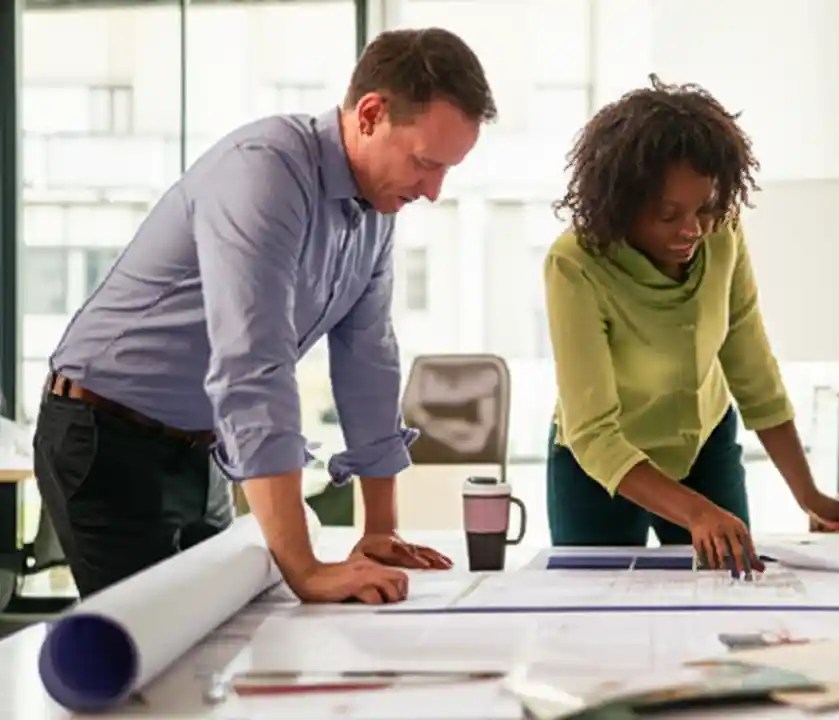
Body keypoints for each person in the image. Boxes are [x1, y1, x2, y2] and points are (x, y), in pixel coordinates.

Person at [32, 28, 497, 602]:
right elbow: (253, 366)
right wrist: (306, 569)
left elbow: (369, 361)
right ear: (371, 115)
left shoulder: (376, 210)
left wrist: (379, 529)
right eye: (425, 164)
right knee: (148, 645)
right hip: (106, 436)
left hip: (202, 448)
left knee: (222, 632)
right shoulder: (267, 171)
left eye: (447, 170)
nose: (433, 191)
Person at [543, 76, 839, 574]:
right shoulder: (574, 263)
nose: (692, 229)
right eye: (667, 214)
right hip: (601, 465)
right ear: (621, 204)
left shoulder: (722, 233)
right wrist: (696, 512)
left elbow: (753, 371)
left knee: (728, 595)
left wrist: (810, 496)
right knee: (597, 606)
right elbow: (592, 433)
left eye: (705, 208)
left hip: (704, 446)